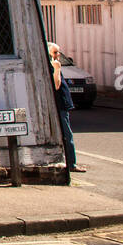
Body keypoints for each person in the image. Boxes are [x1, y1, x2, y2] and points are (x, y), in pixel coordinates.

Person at [48, 42, 85, 173]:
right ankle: (71, 164)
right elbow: (56, 86)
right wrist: (57, 69)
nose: (58, 55)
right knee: (67, 135)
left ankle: (68, 162)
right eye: (55, 52)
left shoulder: (55, 64)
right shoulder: (53, 66)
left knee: (66, 134)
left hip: (63, 104)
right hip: (60, 105)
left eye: (58, 52)